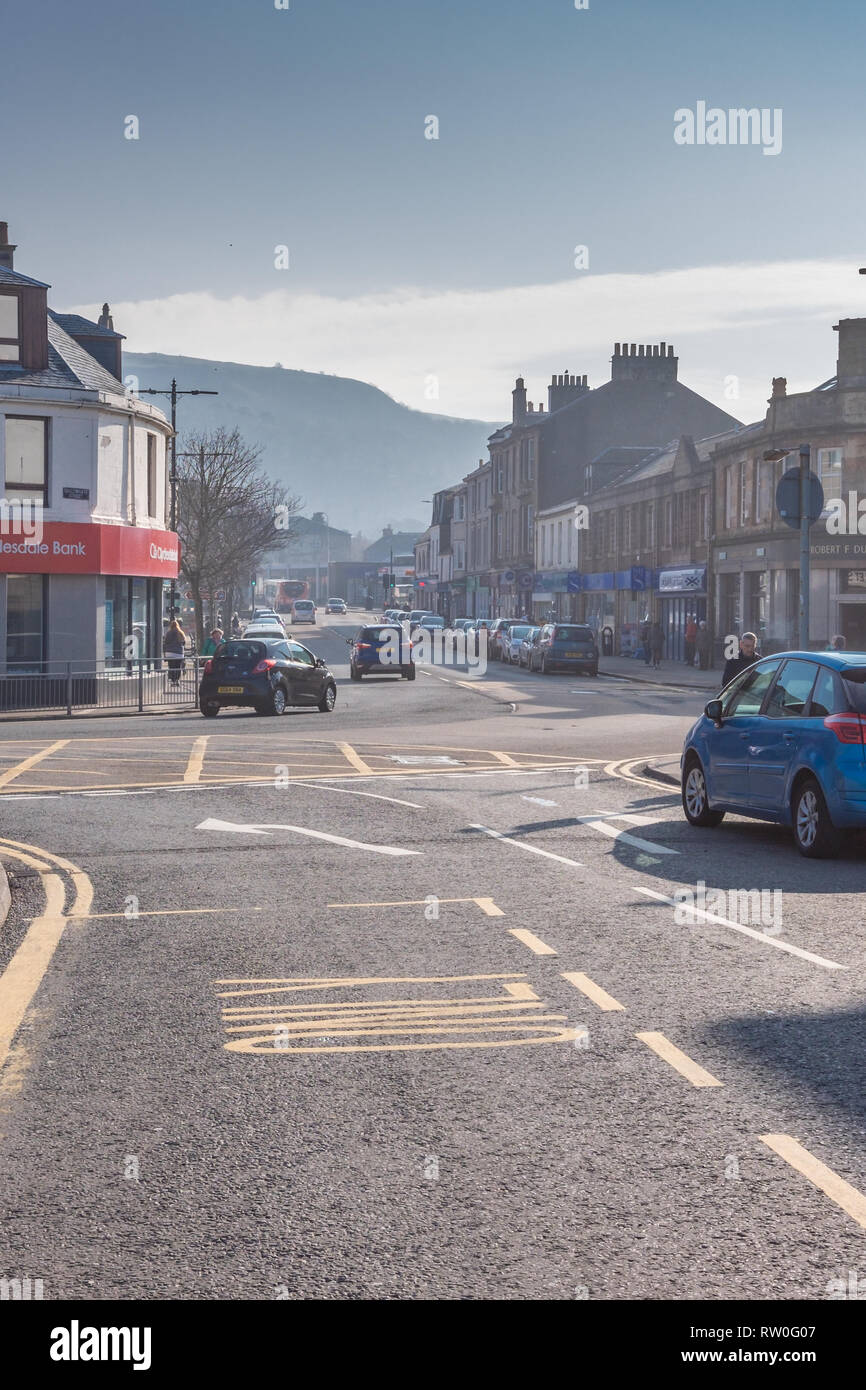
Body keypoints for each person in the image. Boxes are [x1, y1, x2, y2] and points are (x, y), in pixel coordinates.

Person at [163, 619, 186, 685]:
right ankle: (177, 680)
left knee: (171, 667)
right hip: (179, 653)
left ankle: (172, 681)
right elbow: (183, 643)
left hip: (170, 653)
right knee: (178, 667)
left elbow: (166, 642)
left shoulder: (168, 633)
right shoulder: (181, 633)